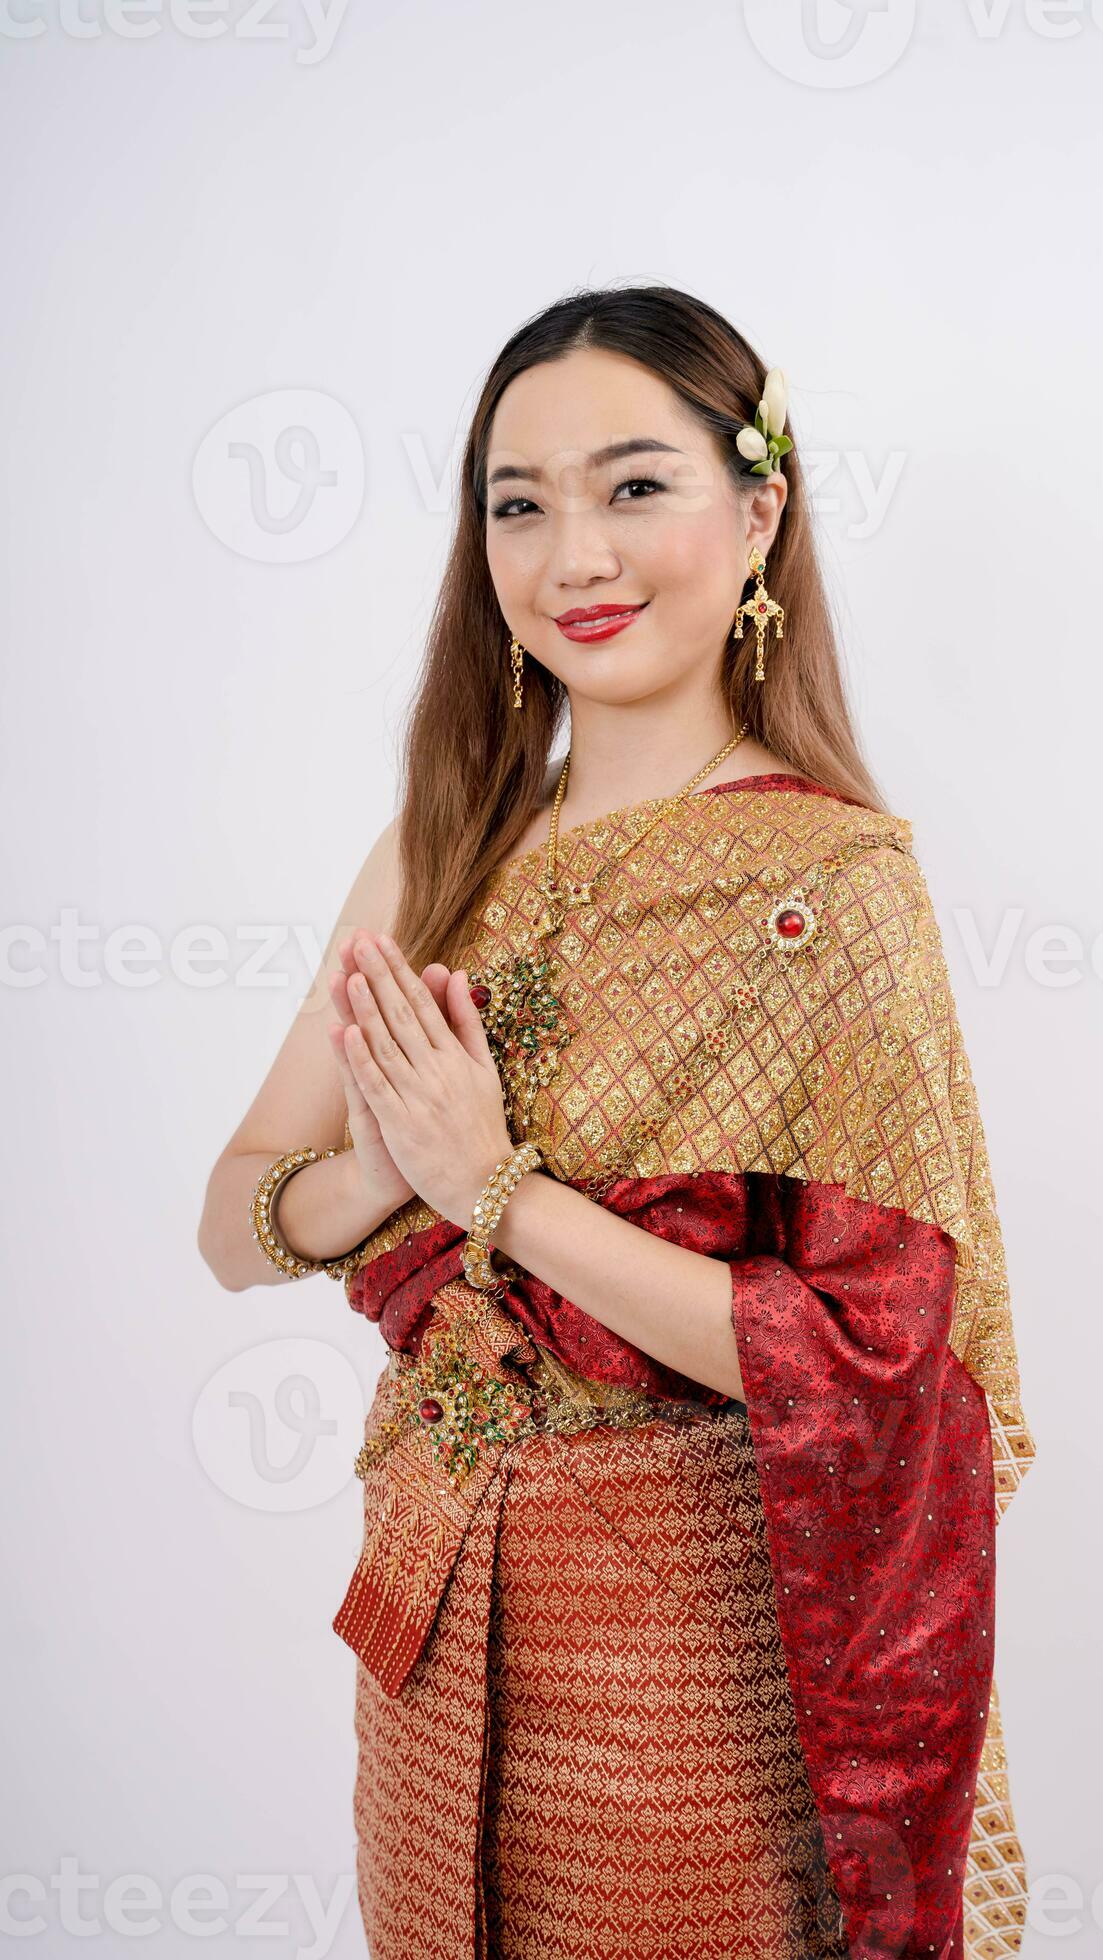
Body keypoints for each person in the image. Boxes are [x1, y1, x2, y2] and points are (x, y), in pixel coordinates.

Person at [197, 285, 1035, 1960]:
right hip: (429, 1613)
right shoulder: (439, 851)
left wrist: (489, 1189)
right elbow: (231, 1224)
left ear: (761, 511)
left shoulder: (831, 880)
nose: (572, 552)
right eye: (520, 504)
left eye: (634, 486)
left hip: (687, 1649)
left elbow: (869, 1361)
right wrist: (377, 1169)